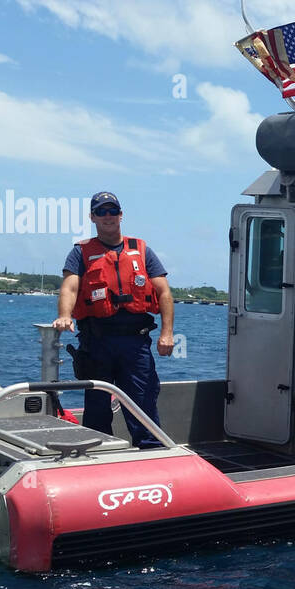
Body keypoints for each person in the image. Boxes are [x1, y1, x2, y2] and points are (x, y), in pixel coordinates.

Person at [52, 191, 175, 448]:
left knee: (142, 400)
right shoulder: (80, 253)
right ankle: (98, 452)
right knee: (97, 404)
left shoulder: (142, 250)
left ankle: (150, 451)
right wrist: (64, 316)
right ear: (92, 217)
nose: (107, 216)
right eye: (101, 212)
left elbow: (164, 292)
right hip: (97, 343)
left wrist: (167, 333)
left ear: (121, 215)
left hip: (135, 342)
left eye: (112, 211)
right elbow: (70, 287)